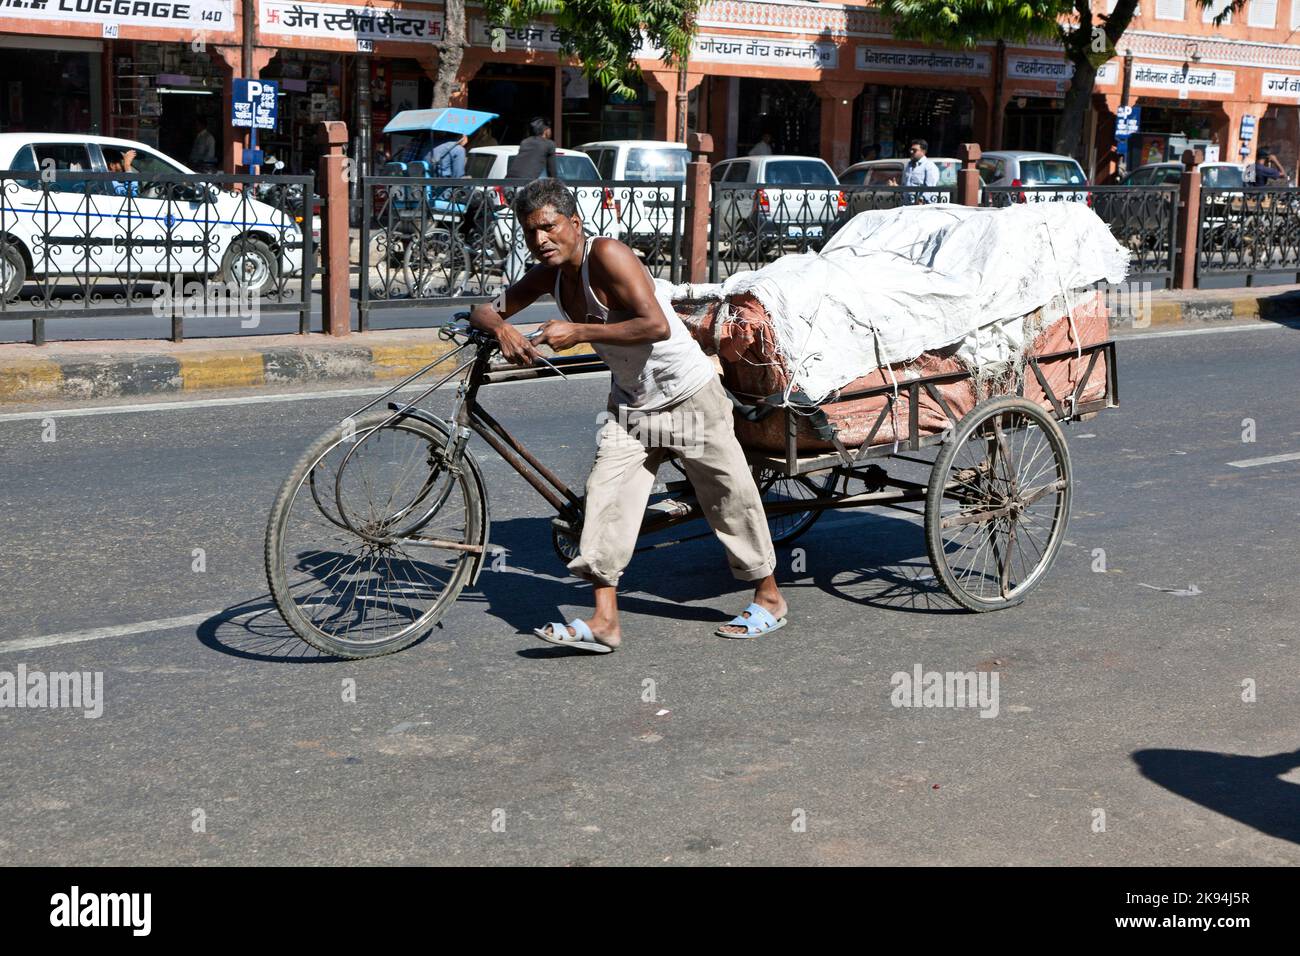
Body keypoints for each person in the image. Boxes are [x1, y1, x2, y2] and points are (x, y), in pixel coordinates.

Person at [468, 178, 789, 653]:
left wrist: (577, 330)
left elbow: (655, 324)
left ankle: (769, 596)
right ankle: (605, 620)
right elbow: (483, 309)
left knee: (726, 494)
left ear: (574, 223)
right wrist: (503, 331)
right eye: (530, 232)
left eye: (549, 227)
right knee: (606, 496)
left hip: (685, 393)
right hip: (631, 402)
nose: (540, 240)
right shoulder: (549, 273)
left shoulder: (609, 255)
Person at [893, 138, 940, 203]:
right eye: (910, 149)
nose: (911, 152)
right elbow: (905, 186)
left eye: (914, 150)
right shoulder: (908, 166)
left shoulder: (929, 166)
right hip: (906, 205)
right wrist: (897, 187)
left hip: (921, 207)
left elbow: (930, 188)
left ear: (923, 151)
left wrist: (921, 200)